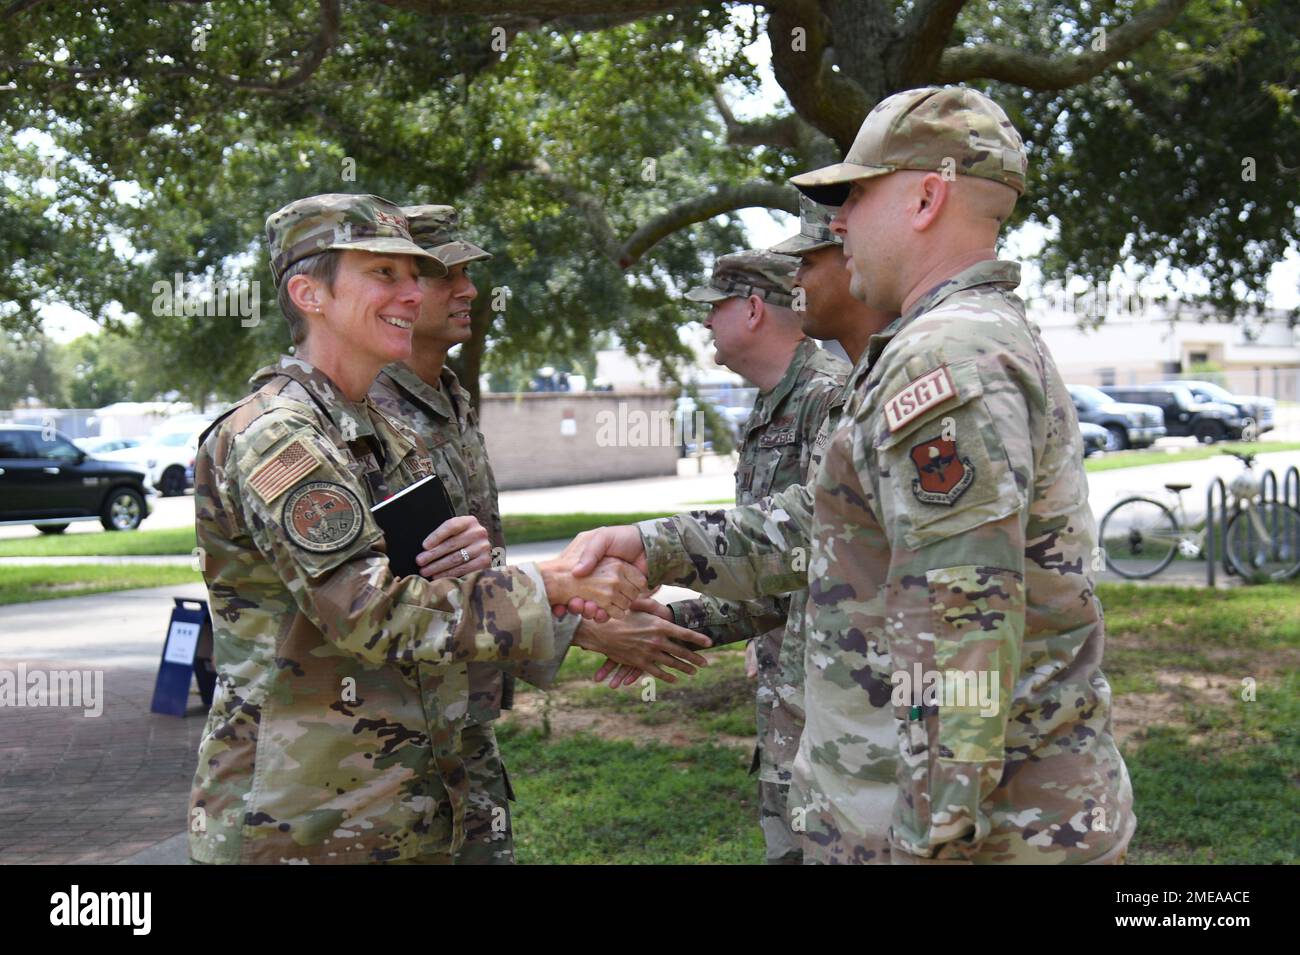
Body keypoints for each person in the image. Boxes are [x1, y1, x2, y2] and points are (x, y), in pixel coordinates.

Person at [559, 86, 1136, 865]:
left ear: (928, 196)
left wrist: (933, 840)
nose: (836, 224)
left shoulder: (947, 357)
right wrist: (650, 542)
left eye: (854, 195)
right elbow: (818, 525)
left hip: (970, 836)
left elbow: (961, 626)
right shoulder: (941, 344)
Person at [188, 193, 643, 865]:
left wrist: (473, 565)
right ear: (308, 293)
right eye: (384, 274)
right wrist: (545, 584)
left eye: (415, 274)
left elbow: (427, 593)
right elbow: (367, 612)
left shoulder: (389, 429)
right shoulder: (278, 436)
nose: (411, 294)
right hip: (303, 822)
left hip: (413, 804)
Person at [368, 204, 710, 863]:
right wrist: (578, 623)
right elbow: (392, 601)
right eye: (448, 276)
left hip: (462, 732)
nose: (469, 290)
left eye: (469, 274)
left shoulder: (445, 398)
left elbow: (472, 569)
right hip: (393, 748)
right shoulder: (368, 412)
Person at [616, 249, 846, 864]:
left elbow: (821, 551)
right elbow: (772, 586)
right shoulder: (776, 406)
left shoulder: (828, 400)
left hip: (837, 716)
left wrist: (653, 555)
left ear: (750, 309)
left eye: (712, 309)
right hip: (790, 713)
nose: (704, 324)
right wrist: (671, 623)